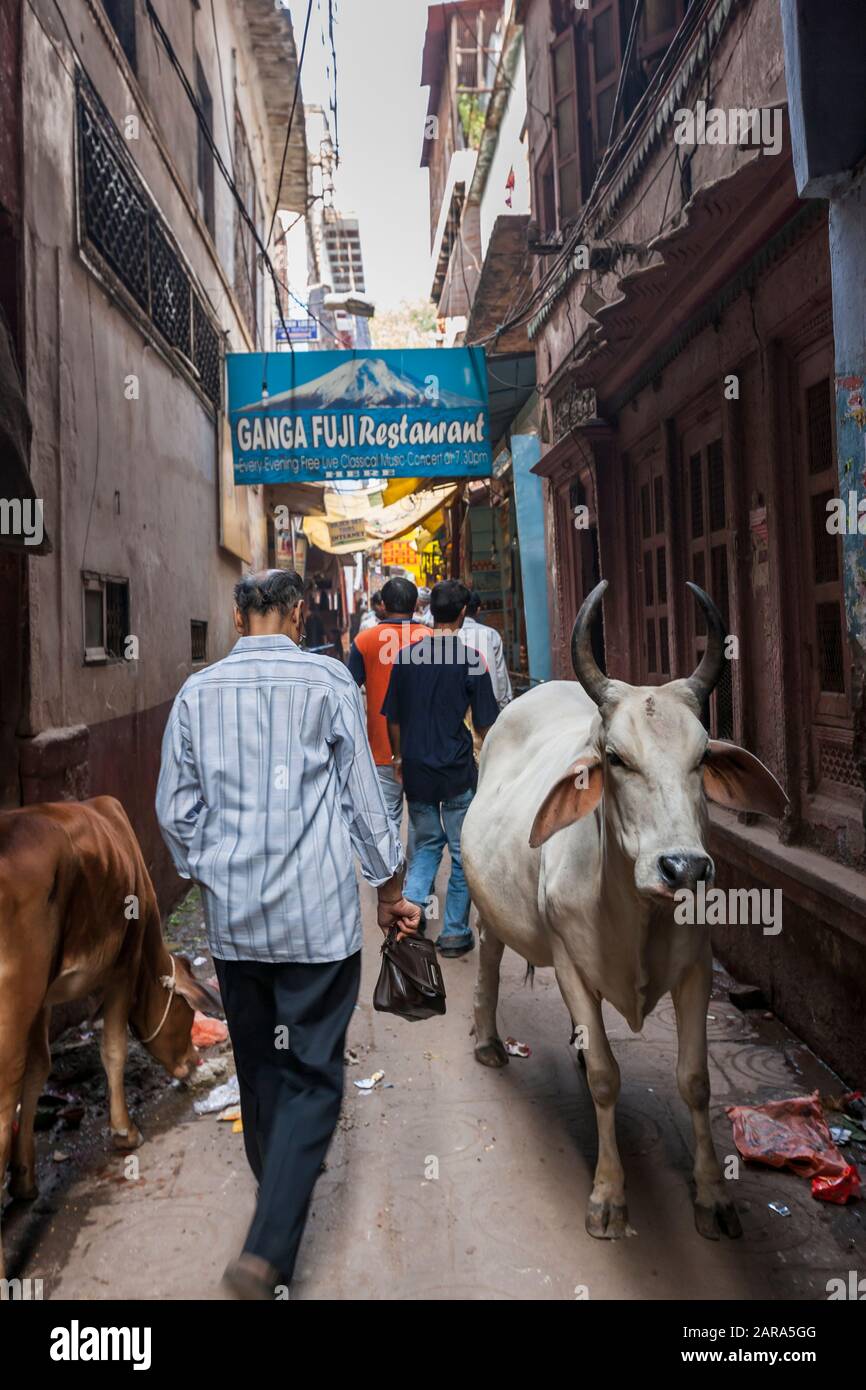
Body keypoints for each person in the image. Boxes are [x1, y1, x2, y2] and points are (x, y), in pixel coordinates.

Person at [155, 569, 420, 1300]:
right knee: (312, 1076)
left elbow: (176, 815)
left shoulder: (196, 693)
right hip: (319, 923)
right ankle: (270, 1248)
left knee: (262, 1069)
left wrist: (217, 868)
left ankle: (275, 1215)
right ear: (300, 614)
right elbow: (366, 799)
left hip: (239, 928)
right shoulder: (329, 683)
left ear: (238, 616)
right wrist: (388, 886)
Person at [382, 579, 500, 958]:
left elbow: (393, 719)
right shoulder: (470, 660)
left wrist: (400, 758)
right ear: (464, 613)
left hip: (416, 770)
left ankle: (410, 918)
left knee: (427, 848)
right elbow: (485, 725)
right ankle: (453, 933)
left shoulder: (404, 658)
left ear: (430, 611)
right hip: (457, 773)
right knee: (463, 854)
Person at [347, 576, 427, 835]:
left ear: (382, 604)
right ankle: (417, 876)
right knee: (422, 823)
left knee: (388, 822)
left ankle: (393, 874)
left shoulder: (363, 641)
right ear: (415, 605)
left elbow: (349, 691)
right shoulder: (432, 639)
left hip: (382, 748)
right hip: (425, 746)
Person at [460, 591, 513, 710]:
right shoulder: (491, 634)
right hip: (489, 704)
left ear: (461, 610)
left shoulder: (449, 636)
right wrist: (503, 702)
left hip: (460, 707)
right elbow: (500, 672)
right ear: (478, 610)